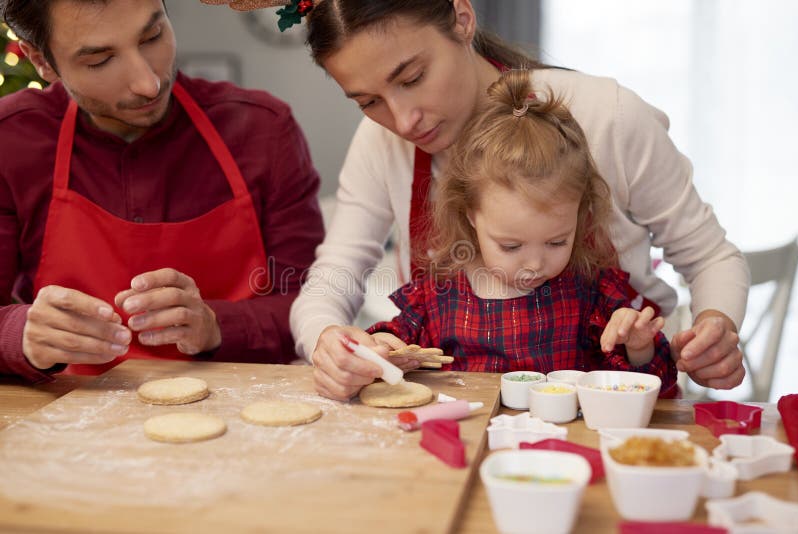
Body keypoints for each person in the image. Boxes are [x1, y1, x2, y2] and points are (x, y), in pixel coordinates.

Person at [278, 0, 748, 400]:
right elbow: (332, 277)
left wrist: (714, 327)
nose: (403, 122)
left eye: (413, 77)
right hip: (455, 417)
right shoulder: (379, 146)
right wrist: (327, 341)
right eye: (368, 101)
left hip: (610, 412)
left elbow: (709, 255)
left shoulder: (607, 116)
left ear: (463, 18)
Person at [0, 0, 324, 383]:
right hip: (72, 411)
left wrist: (215, 325)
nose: (148, 83)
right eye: (100, 60)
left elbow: (312, 308)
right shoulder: (12, 139)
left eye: (153, 36)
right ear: (42, 61)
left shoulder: (263, 130)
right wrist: (20, 334)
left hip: (244, 409)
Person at [366, 70, 677, 395]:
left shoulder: (593, 295)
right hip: (470, 441)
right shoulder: (439, 296)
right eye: (511, 246)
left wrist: (638, 346)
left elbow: (654, 385)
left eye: (557, 241)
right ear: (471, 215)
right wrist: (382, 347)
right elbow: (394, 341)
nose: (534, 263)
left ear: (581, 216)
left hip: (563, 443)